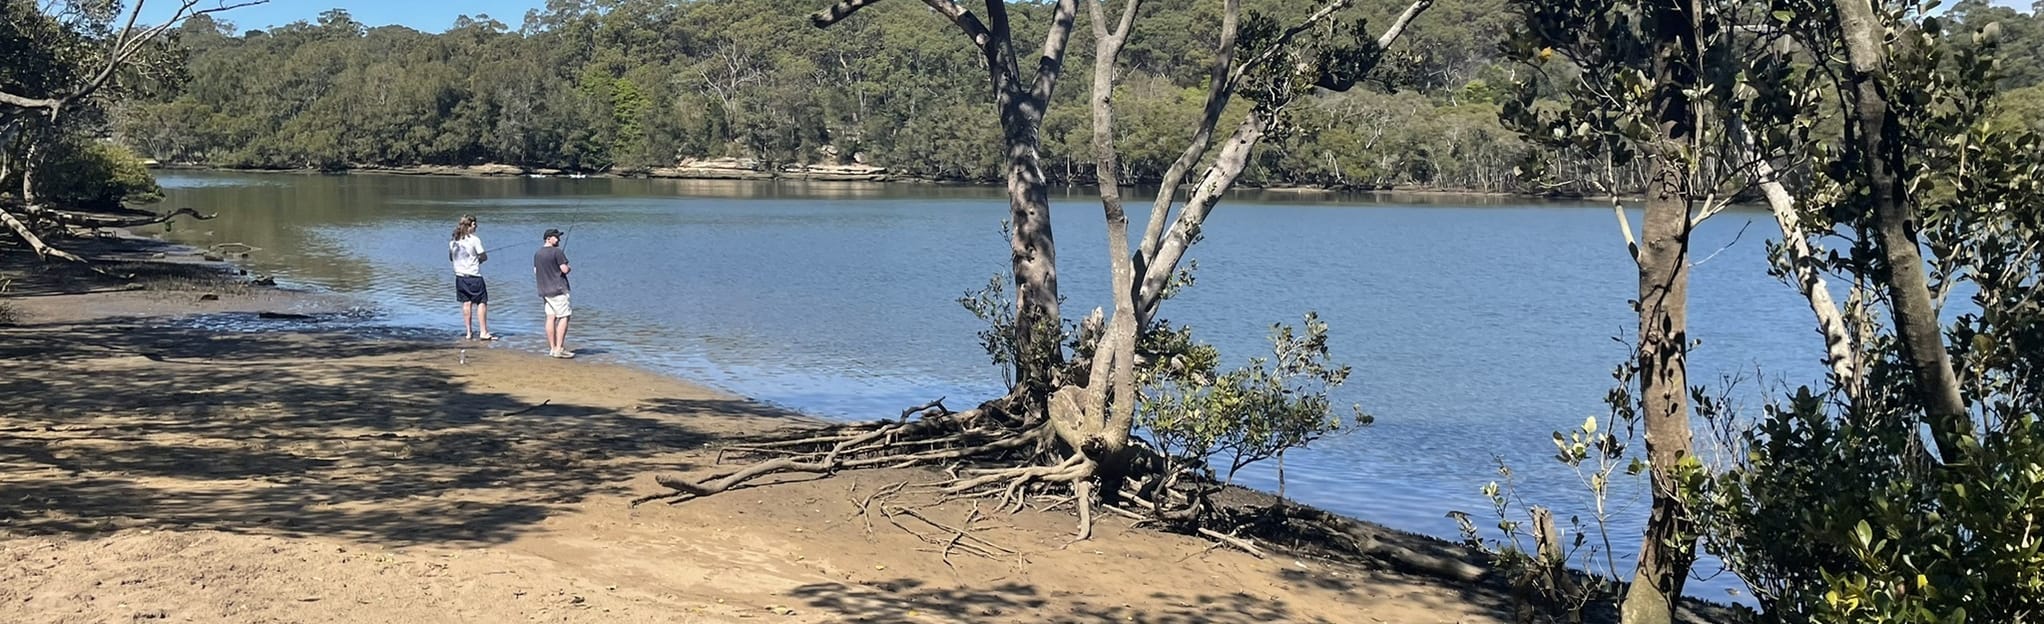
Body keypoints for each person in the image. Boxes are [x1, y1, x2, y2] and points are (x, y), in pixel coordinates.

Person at [448, 214, 496, 341]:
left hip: (460, 277)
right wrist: (479, 260)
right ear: (469, 226)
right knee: (481, 302)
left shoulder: (453, 241)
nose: (476, 227)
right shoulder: (474, 240)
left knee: (466, 303)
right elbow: (484, 256)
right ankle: (483, 332)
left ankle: (469, 332)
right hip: (474, 277)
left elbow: (451, 258)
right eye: (474, 224)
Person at [533, 228, 574, 358]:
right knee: (564, 317)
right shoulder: (557, 252)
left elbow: (535, 271)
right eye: (556, 237)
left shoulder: (538, 253)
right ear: (548, 238)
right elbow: (565, 269)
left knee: (550, 317)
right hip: (558, 290)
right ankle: (559, 349)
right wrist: (568, 268)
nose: (559, 239)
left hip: (544, 290)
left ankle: (552, 348)